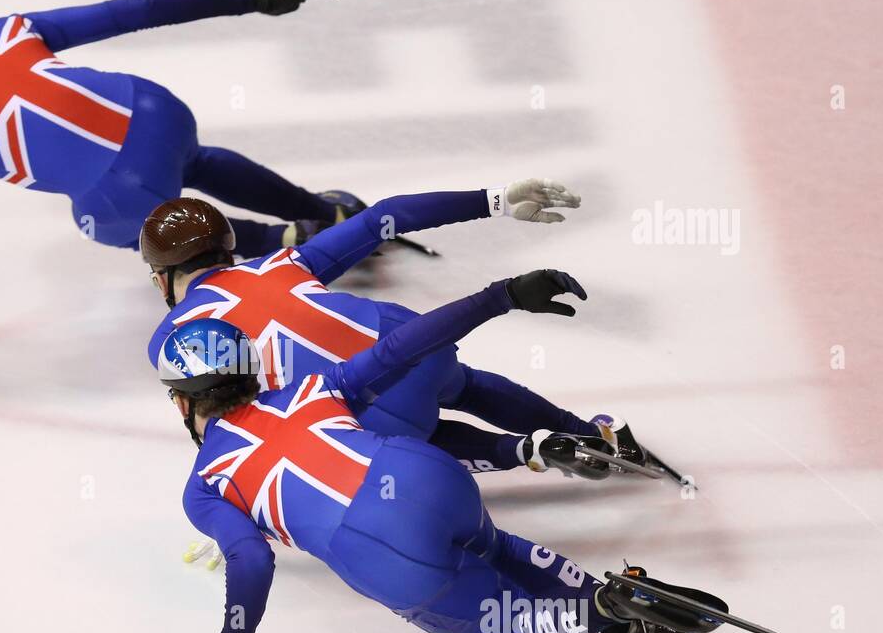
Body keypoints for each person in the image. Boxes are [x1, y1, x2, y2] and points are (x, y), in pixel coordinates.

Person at [154, 276, 727, 633]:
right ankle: (625, 617)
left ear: (182, 402)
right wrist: (500, 295)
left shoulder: (205, 484)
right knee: (498, 548)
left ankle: (607, 610)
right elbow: (402, 348)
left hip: (379, 548)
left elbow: (252, 560)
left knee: (510, 623)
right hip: (427, 475)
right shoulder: (312, 389)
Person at [0, 0, 345, 386]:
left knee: (102, 221)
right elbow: (135, 11)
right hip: (155, 107)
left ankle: (284, 242)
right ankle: (329, 211)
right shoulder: (7, 28)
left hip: (120, 186)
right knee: (191, 160)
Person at [142, 190, 653, 482]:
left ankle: (531, 448)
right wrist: (494, 200)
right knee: (467, 386)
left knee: (405, 431)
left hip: (360, 401)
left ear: (160, 276)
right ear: (228, 253)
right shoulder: (282, 263)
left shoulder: (173, 335)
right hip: (412, 340)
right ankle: (594, 433)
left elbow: (219, 427)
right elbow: (387, 216)